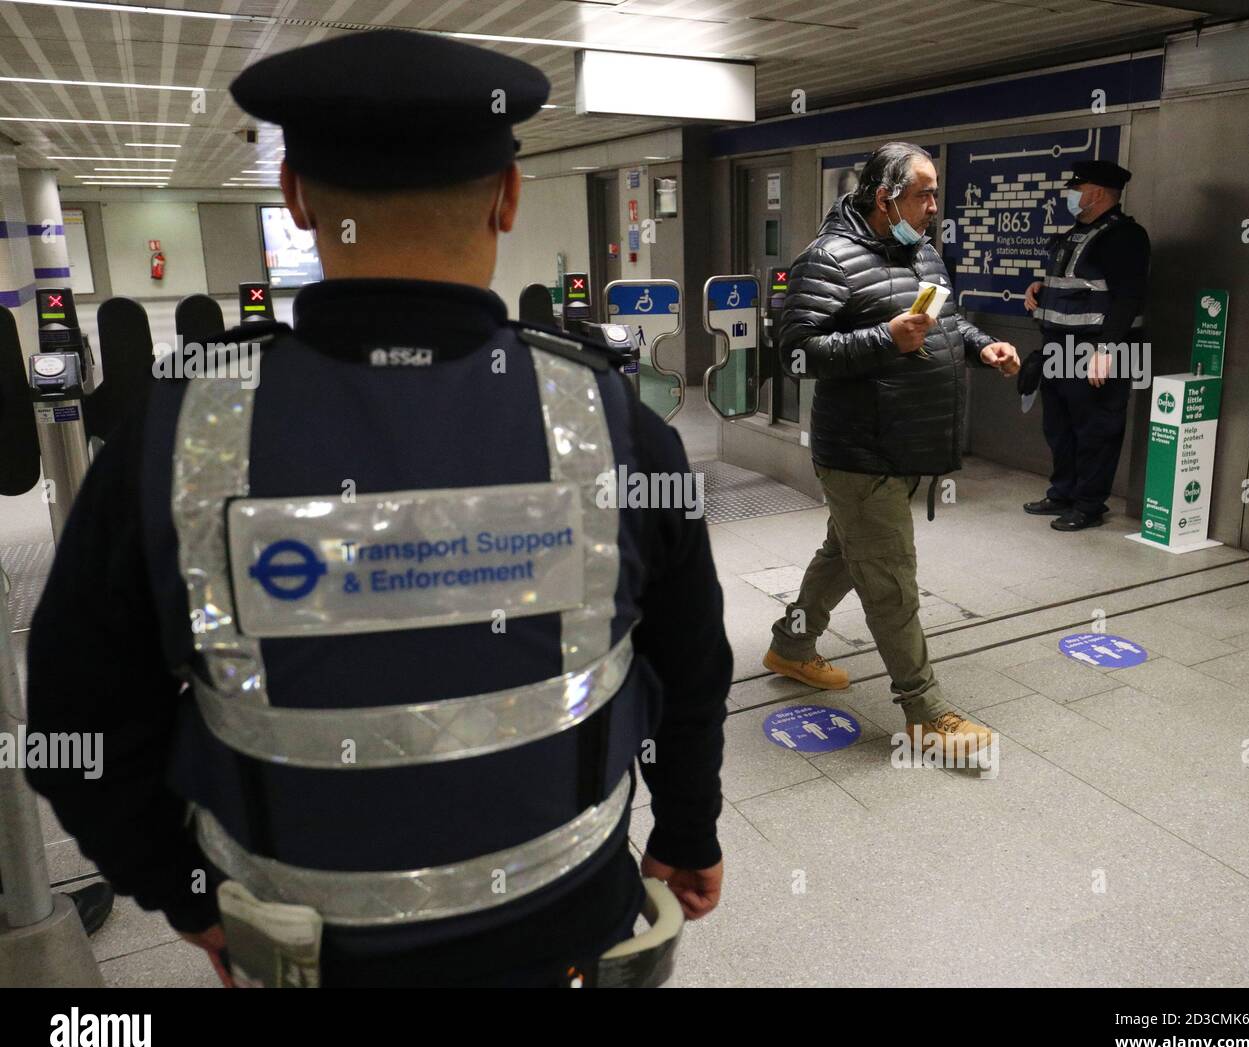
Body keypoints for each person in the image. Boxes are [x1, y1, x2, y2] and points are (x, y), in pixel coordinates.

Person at [24, 28, 731, 988]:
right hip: (565, 933)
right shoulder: (616, 427)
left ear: (298, 198)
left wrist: (191, 895)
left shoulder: (175, 445)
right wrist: (686, 828)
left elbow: (78, 737)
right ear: (509, 196)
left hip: (308, 953)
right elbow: (689, 666)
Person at [763, 142, 1019, 761]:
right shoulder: (827, 259)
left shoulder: (922, 251)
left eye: (934, 194)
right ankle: (924, 711)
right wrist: (885, 339)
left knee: (846, 554)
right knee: (892, 580)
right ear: (885, 198)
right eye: (923, 194)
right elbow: (795, 352)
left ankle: (791, 647)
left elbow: (945, 321)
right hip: (861, 450)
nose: (934, 206)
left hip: (907, 443)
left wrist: (981, 346)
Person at [1021, 159, 1150, 531]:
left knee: (1097, 430)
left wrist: (1107, 351)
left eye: (1076, 189)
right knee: (1059, 426)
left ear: (1095, 193)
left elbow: (1128, 299)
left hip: (1102, 351)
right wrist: (1041, 290)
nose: (1071, 196)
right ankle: (1063, 493)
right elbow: (1081, 287)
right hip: (1061, 349)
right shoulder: (1075, 234)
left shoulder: (1126, 237)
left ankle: (1090, 505)